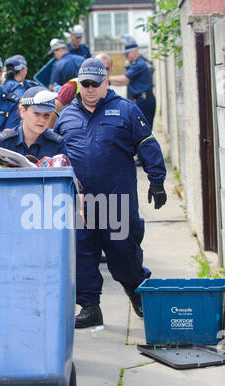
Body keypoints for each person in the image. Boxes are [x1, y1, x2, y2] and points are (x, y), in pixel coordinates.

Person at [54, 57, 167, 328]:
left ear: (106, 82)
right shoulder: (66, 115)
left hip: (117, 200)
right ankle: (90, 307)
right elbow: (53, 153)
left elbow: (147, 144)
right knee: (83, 253)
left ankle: (136, 292)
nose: (90, 88)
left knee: (123, 252)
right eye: (85, 84)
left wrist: (157, 180)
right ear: (78, 84)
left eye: (95, 83)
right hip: (80, 203)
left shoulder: (126, 110)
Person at [0, 86, 68, 160]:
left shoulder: (57, 145)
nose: (42, 120)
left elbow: (65, 171)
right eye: (37, 113)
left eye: (47, 115)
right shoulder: (5, 143)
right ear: (22, 111)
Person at [47, 53, 113, 129]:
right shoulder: (72, 86)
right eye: (98, 67)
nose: (102, 71)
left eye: (106, 69)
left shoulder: (111, 95)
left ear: (111, 70)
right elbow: (54, 111)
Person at [109, 37, 156, 129]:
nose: (126, 58)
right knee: (139, 128)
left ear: (133, 52)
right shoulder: (137, 64)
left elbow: (124, 79)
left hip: (144, 101)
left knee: (144, 129)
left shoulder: (139, 64)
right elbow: (126, 81)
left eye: (127, 55)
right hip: (142, 100)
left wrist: (106, 78)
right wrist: (109, 82)